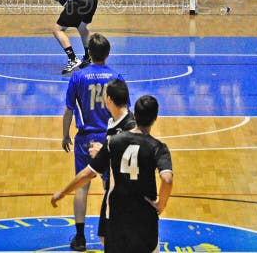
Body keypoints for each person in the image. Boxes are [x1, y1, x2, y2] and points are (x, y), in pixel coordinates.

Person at [52, 95, 173, 253]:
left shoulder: (113, 142)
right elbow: (167, 179)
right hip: (145, 220)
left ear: (134, 115)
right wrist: (161, 203)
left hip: (117, 219)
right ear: (155, 118)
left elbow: (86, 174)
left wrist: (62, 193)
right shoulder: (158, 147)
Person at [60, 33, 124, 251]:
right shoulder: (116, 77)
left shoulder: (77, 77)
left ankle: (80, 238)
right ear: (108, 53)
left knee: (81, 186)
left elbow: (69, 109)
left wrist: (65, 134)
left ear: (89, 53)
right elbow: (124, 113)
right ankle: (112, 233)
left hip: (85, 138)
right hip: (110, 138)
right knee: (111, 187)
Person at [89, 77, 136, 246]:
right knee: (104, 235)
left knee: (116, 239)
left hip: (125, 192)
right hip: (112, 187)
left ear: (109, 100)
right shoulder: (113, 121)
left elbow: (128, 161)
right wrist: (104, 150)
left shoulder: (129, 126)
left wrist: (101, 156)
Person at [48, 0, 98, 75]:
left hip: (81, 2)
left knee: (58, 30)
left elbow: (66, 3)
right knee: (82, 26)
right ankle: (88, 56)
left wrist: (71, 14)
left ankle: (73, 59)